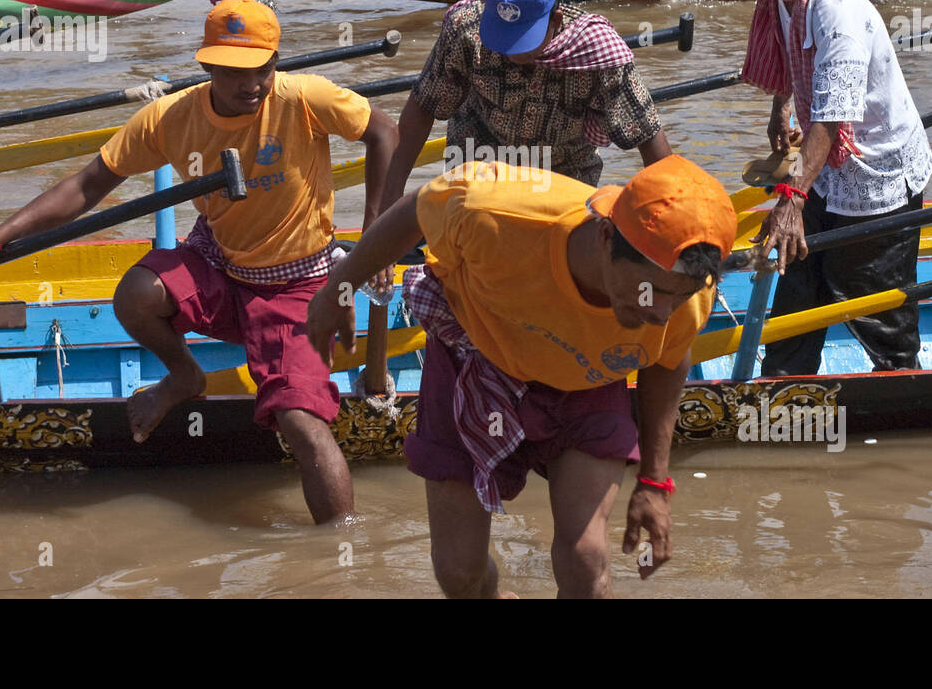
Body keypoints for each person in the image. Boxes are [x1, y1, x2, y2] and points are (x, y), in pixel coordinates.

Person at [0, 0, 397, 525]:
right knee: (136, 294)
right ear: (207, 65)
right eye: (234, 71)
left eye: (262, 68)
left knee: (302, 423)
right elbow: (87, 185)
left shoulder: (305, 97)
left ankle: (341, 553)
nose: (251, 84)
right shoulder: (171, 118)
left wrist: (372, 240)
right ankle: (184, 375)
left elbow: (384, 132)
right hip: (222, 264)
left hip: (299, 284)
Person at [307, 151, 734, 598]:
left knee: (586, 561)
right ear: (607, 236)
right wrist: (339, 286)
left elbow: (667, 365)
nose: (662, 313)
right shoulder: (491, 213)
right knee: (458, 573)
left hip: (586, 381)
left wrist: (655, 483)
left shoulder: (688, 299)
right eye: (652, 291)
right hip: (475, 361)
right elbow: (417, 209)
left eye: (679, 297)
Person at [710, 0, 932, 377]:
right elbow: (793, 56)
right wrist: (781, 106)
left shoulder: (835, 11)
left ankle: (901, 379)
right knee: (797, 283)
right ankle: (784, 380)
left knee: (869, 291)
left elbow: (835, 118)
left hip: (872, 162)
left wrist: (791, 199)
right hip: (820, 161)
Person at [381, 0, 674, 204]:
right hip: (479, 161)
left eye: (522, 39)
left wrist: (670, 216)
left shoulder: (597, 50)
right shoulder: (464, 27)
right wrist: (384, 211)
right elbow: (423, 107)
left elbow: (646, 133)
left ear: (555, 20)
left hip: (562, 172)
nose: (510, 50)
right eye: (502, 36)